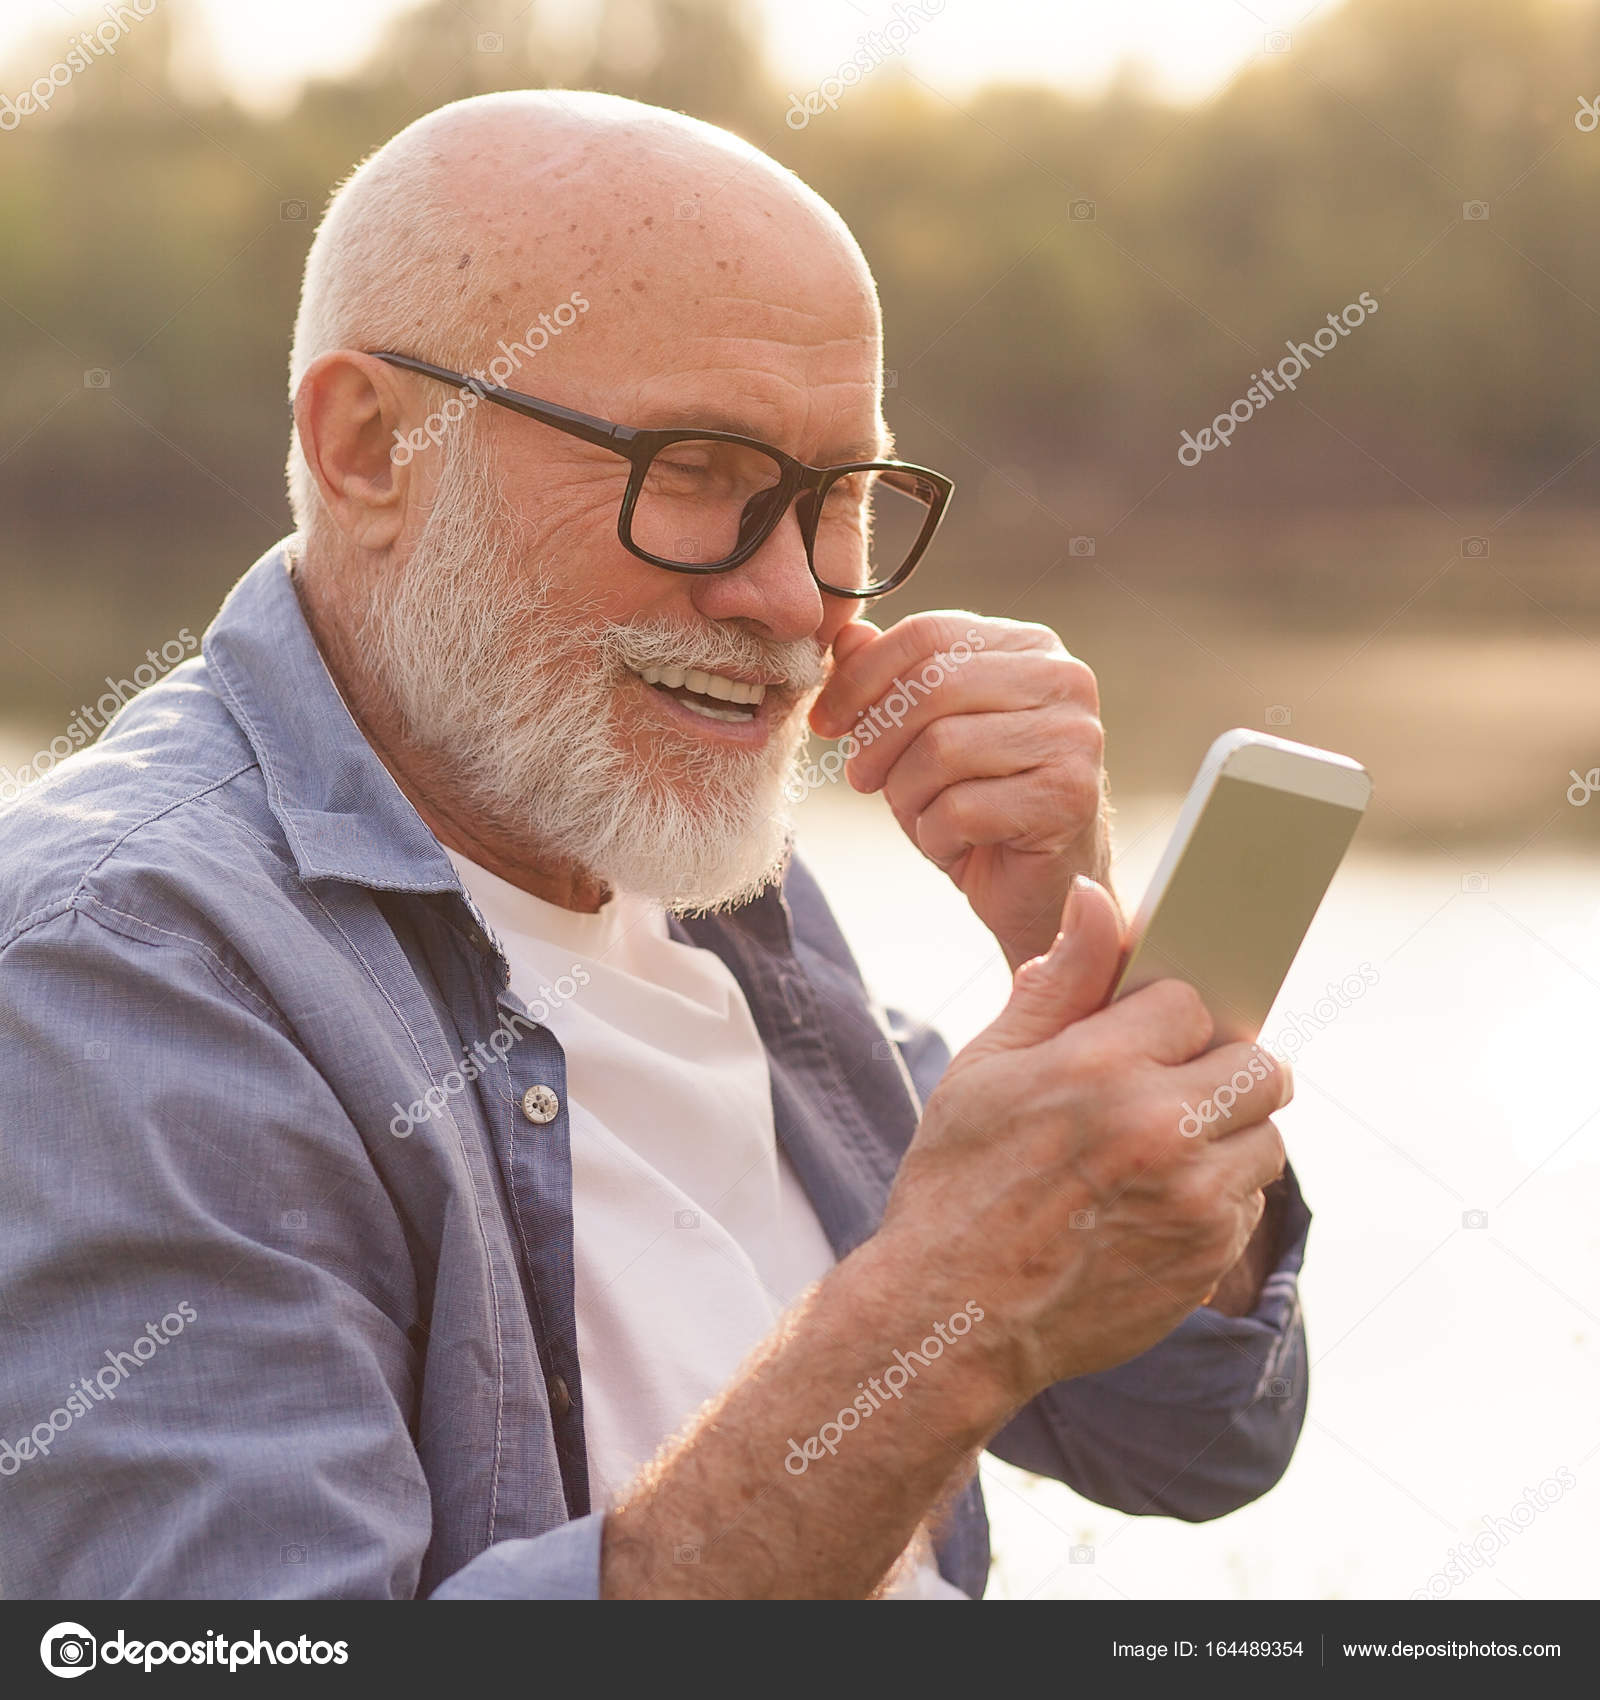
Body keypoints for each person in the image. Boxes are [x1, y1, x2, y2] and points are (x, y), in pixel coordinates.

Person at [0, 90, 1304, 1600]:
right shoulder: (112, 972)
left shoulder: (693, 873)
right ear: (368, 445)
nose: (801, 599)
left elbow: (1195, 1437)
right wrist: (950, 1304)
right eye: (696, 471)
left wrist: (1074, 956)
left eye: (841, 497)